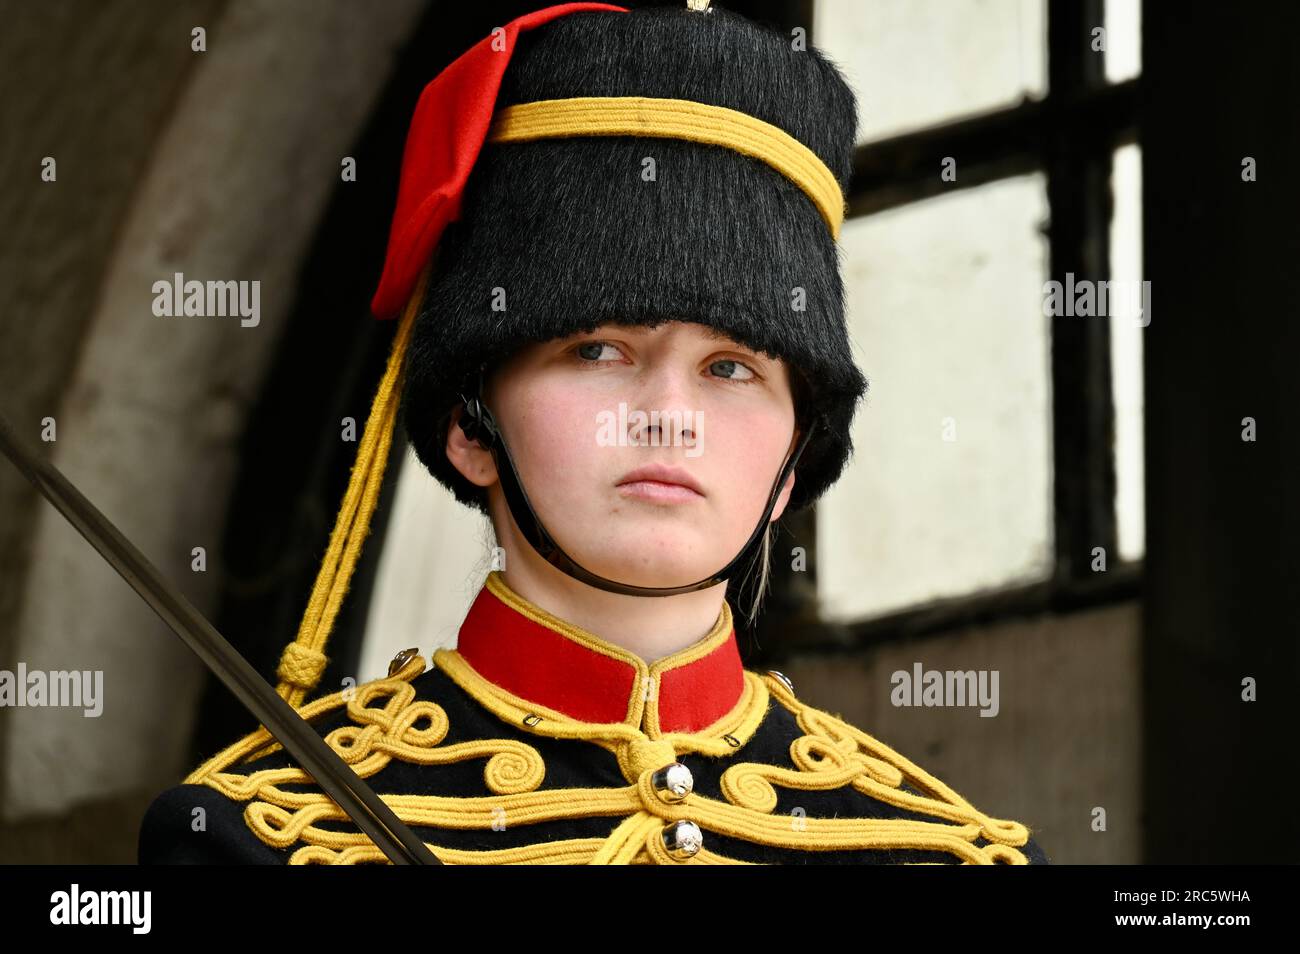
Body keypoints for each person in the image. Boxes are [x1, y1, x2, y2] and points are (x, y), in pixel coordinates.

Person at [139, 0, 1049, 865]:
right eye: (599, 350)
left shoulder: (949, 849)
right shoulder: (258, 839)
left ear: (793, 466)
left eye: (731, 368)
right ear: (470, 423)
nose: (667, 414)